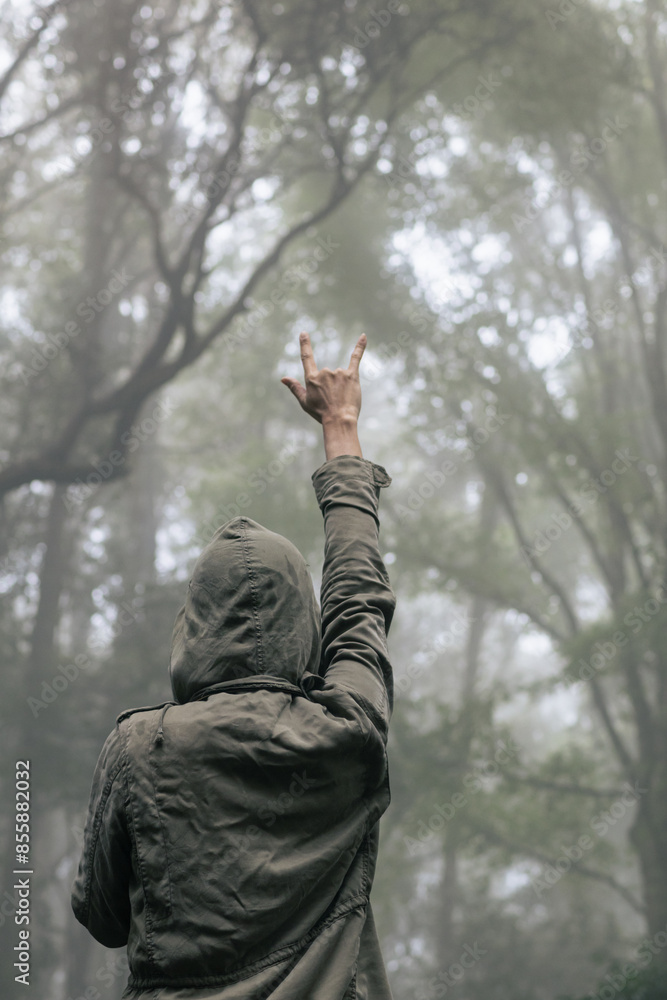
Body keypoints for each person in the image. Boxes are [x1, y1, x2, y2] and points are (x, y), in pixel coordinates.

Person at [71, 331, 397, 999]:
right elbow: (358, 601)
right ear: (302, 623)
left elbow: (102, 917)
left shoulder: (137, 748)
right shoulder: (346, 733)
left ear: (192, 626)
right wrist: (340, 428)